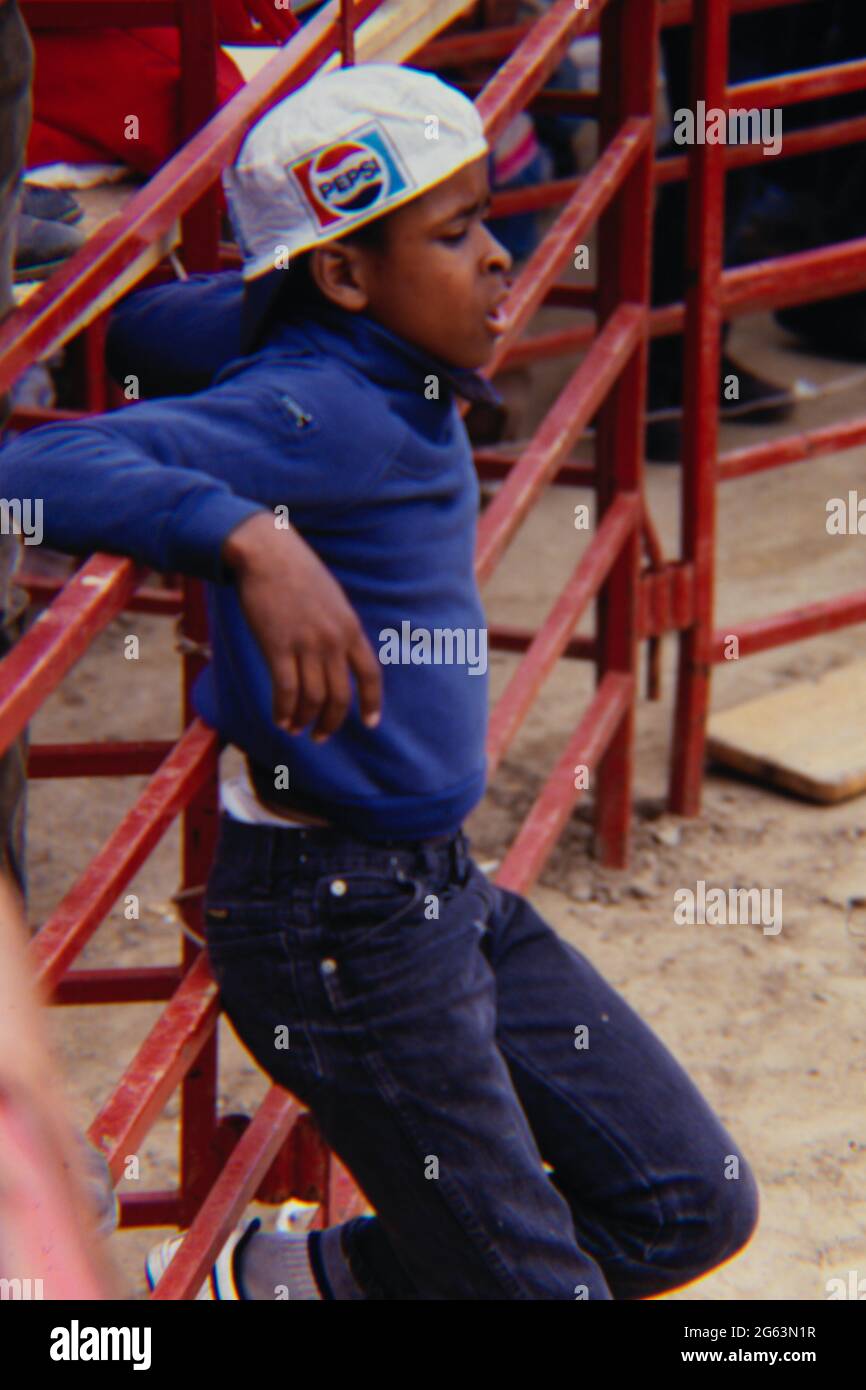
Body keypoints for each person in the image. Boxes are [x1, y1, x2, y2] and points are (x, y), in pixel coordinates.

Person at [0, 64, 759, 1300]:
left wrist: (223, 323)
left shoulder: (351, 348)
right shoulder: (314, 406)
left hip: (433, 893)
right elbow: (32, 467)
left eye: (489, 222)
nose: (503, 259)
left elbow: (161, 326)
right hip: (342, 927)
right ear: (347, 278)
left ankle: (305, 1284)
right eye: (456, 234)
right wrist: (244, 535)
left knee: (686, 1204)